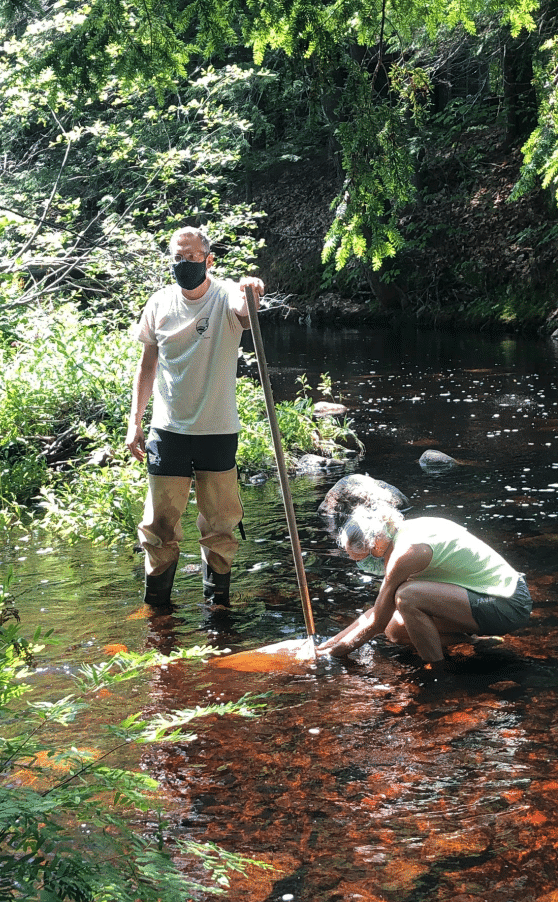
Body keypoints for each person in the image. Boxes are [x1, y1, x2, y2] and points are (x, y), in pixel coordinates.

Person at [126, 226, 264, 607]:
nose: (182, 263)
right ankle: (158, 611)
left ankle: (217, 607)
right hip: (168, 430)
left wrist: (251, 288)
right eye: (177, 256)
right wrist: (134, 420)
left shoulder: (225, 297)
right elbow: (147, 363)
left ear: (208, 259)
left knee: (220, 525)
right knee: (159, 526)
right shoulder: (159, 303)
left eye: (190, 256)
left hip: (218, 432)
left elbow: (244, 308)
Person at [317, 504, 532, 662]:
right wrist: (329, 642)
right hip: (490, 599)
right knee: (396, 629)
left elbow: (376, 624)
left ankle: (438, 673)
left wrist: (334, 654)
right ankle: (475, 641)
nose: (365, 565)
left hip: (508, 604)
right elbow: (380, 612)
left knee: (407, 596)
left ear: (376, 544)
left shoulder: (406, 553)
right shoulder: (404, 531)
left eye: (365, 557)